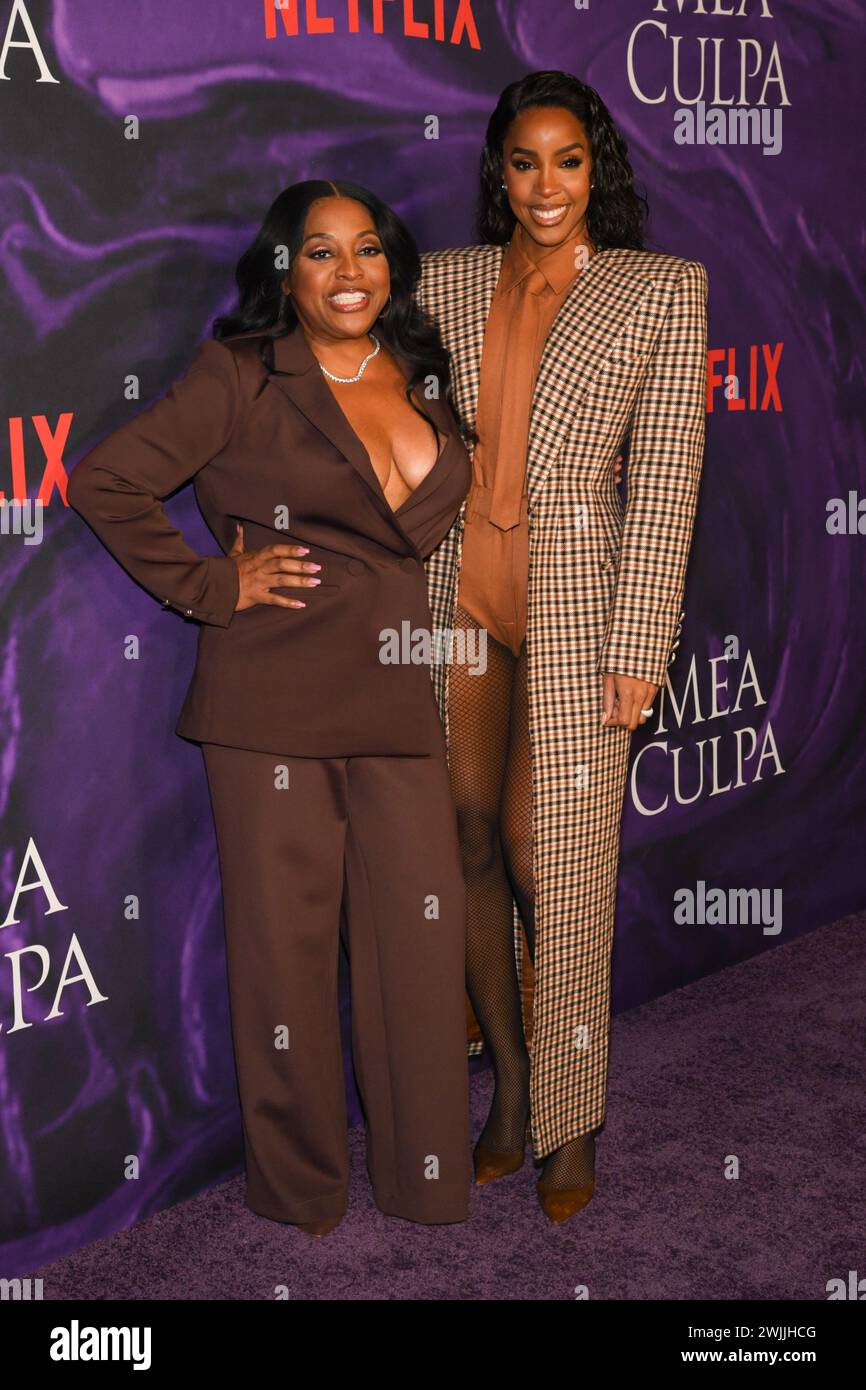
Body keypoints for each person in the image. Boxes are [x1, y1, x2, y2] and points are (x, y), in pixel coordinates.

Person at [67, 180, 473, 1238]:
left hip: (395, 694)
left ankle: (425, 1178)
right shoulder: (240, 374)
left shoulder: (420, 371)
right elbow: (105, 480)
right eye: (321, 252)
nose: (349, 272)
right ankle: (299, 1192)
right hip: (271, 706)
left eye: (368, 250)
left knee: (419, 951)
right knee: (284, 957)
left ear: (393, 265)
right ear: (283, 271)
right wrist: (211, 585)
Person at [418, 71, 709, 1222]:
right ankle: (511, 1087)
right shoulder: (437, 282)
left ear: (599, 169)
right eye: (525, 162)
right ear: (498, 168)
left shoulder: (658, 290)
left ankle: (572, 1116)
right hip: (456, 602)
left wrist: (639, 646)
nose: (546, 185)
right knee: (469, 839)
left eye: (569, 161)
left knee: (557, 858)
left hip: (583, 611)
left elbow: (668, 482)